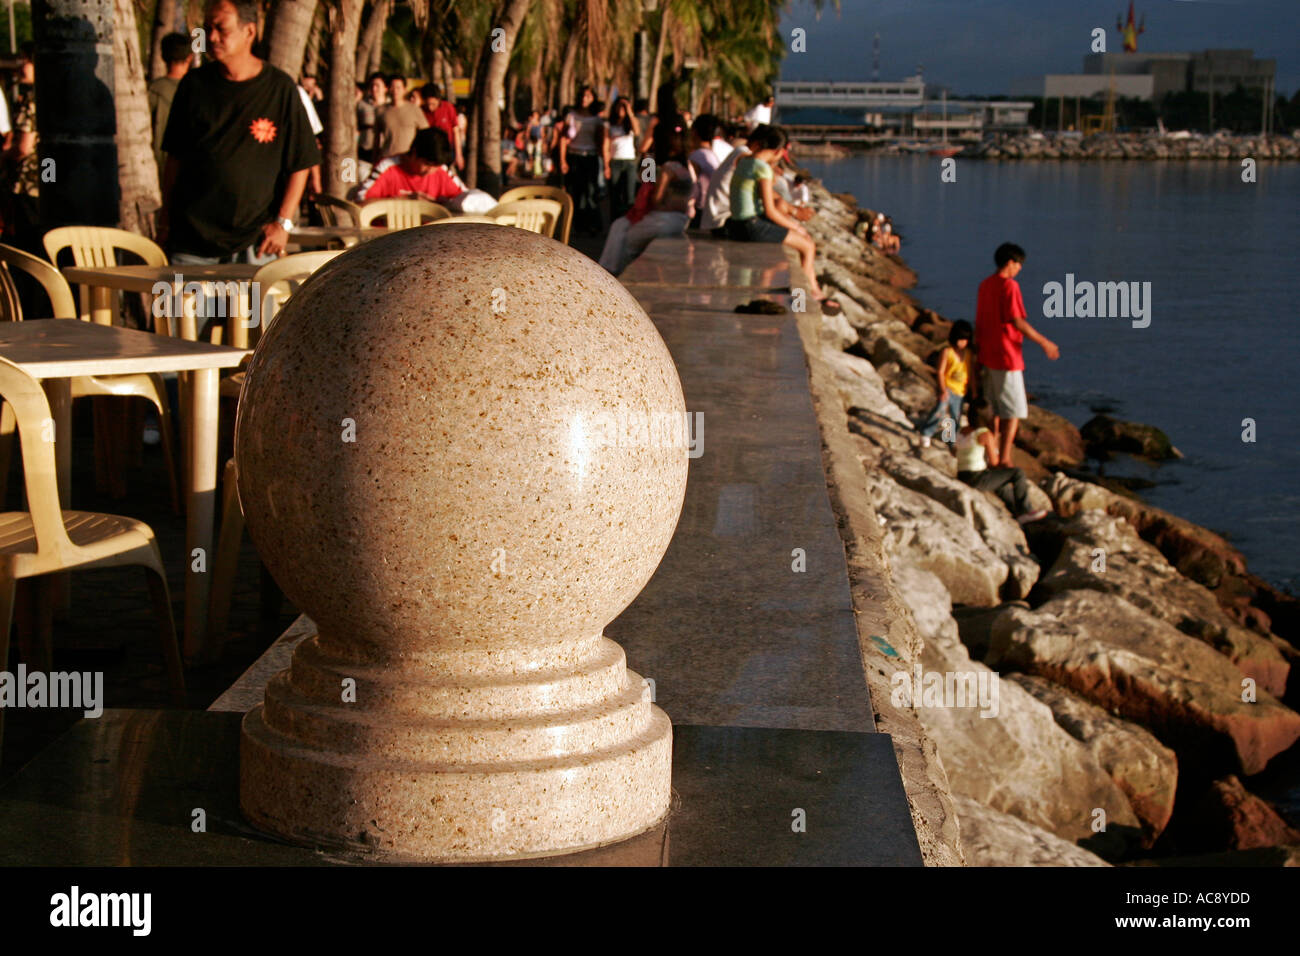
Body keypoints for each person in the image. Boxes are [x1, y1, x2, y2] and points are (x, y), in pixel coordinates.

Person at [159, 0, 320, 265]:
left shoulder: (280, 89)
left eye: (222, 29)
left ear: (249, 32)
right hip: (191, 242)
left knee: (252, 309)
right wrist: (165, 222)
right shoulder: (194, 86)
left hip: (255, 242)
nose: (212, 37)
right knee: (185, 308)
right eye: (208, 28)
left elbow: (301, 162)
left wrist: (283, 223)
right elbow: (174, 159)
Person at [974, 242, 1060, 468]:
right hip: (1007, 356)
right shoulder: (1009, 286)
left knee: (993, 408)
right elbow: (1017, 321)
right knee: (1013, 411)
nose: (1020, 269)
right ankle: (1004, 458)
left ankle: (989, 453)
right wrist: (1045, 342)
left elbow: (980, 321)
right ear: (1010, 262)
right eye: (1019, 264)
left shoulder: (985, 285)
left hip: (987, 353)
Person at [725, 124, 830, 303]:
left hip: (736, 224)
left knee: (801, 243)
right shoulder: (762, 168)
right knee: (807, 246)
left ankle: (813, 288)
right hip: (751, 226)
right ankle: (803, 299)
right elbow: (770, 210)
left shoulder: (745, 161)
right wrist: (797, 227)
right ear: (778, 150)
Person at [598, 126, 694, 276]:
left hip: (662, 219)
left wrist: (649, 158)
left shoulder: (666, 168)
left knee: (621, 232)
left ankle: (610, 271)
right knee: (621, 228)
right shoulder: (688, 168)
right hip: (681, 219)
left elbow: (653, 197)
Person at [955, 399, 1050, 524]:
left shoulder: (961, 431)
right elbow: (994, 463)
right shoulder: (984, 434)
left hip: (962, 475)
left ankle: (1016, 513)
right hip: (976, 479)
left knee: (1001, 483)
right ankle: (1025, 510)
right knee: (1017, 473)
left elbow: (955, 450)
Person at [356, 127, 466, 203]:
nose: (430, 171)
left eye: (435, 167)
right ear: (414, 152)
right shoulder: (388, 167)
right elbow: (360, 202)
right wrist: (403, 200)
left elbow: (467, 199)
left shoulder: (442, 171)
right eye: (427, 164)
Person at [919, 320, 974, 447]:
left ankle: (949, 439)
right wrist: (942, 389)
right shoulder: (947, 352)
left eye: (966, 340)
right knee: (940, 411)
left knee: (955, 417)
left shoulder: (968, 354)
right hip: (948, 387)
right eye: (961, 339)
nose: (963, 342)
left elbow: (970, 373)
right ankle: (926, 433)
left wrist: (973, 389)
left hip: (960, 391)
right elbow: (940, 372)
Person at [560, 86, 604, 236]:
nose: (584, 99)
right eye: (583, 96)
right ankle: (577, 226)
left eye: (588, 96)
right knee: (576, 191)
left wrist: (606, 163)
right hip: (574, 156)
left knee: (591, 191)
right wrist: (562, 161)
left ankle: (593, 224)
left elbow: (601, 142)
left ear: (593, 99)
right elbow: (564, 139)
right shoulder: (571, 116)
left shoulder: (596, 119)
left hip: (591, 157)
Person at [148, 33, 192, 174]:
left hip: (159, 166)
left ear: (163, 56)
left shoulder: (153, 90)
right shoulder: (198, 89)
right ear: (189, 57)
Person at [376, 74, 429, 159]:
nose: (395, 90)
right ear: (388, 89)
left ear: (405, 90)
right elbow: (376, 139)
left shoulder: (415, 110)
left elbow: (426, 135)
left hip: (408, 159)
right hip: (387, 157)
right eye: (392, 87)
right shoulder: (381, 110)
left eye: (398, 87)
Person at [604, 97, 639, 221]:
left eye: (624, 107)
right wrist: (606, 165)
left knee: (630, 195)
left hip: (629, 161)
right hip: (615, 162)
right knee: (615, 194)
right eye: (619, 106)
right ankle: (614, 221)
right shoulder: (609, 125)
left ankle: (630, 221)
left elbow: (637, 131)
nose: (621, 109)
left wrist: (629, 111)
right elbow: (606, 145)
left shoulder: (630, 125)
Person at [686, 114, 723, 230]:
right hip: (713, 207)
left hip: (700, 210)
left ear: (694, 132)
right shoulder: (713, 153)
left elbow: (691, 185)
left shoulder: (696, 157)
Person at [421, 83, 463, 170]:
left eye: (433, 104)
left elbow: (456, 132)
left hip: (447, 151)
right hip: (429, 153)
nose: (430, 107)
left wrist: (458, 155)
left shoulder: (448, 108)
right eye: (428, 104)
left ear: (439, 100)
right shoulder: (421, 111)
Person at [357, 72, 387, 164]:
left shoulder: (391, 107)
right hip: (365, 151)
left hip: (385, 152)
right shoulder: (361, 105)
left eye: (377, 85)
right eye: (372, 85)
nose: (374, 89)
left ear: (385, 88)